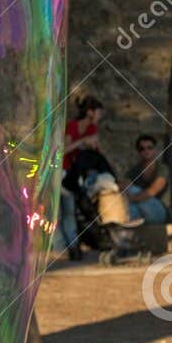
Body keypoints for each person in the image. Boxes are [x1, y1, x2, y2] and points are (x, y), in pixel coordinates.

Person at [58, 95, 107, 260]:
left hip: (76, 176)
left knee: (71, 212)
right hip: (62, 173)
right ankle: (67, 247)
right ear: (90, 112)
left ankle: (74, 248)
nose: (100, 116)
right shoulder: (72, 126)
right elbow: (63, 151)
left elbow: (98, 153)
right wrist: (82, 142)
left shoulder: (92, 129)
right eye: (98, 113)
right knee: (65, 212)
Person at [125, 133, 169, 224]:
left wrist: (132, 198)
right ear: (138, 152)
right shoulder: (135, 170)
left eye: (150, 148)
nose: (146, 151)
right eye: (142, 149)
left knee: (133, 190)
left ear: (155, 150)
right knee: (127, 195)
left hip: (159, 211)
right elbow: (124, 185)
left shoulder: (162, 168)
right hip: (141, 212)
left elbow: (153, 190)